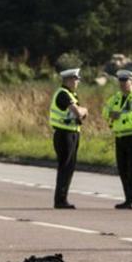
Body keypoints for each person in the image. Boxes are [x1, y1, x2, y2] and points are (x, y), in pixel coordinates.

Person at [103, 69, 132, 209]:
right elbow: (104, 110)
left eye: (125, 81)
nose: (123, 84)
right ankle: (127, 198)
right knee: (123, 168)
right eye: (121, 82)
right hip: (120, 136)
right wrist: (111, 114)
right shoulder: (116, 97)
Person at [49, 68, 88, 209]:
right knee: (65, 167)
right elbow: (77, 111)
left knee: (68, 167)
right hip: (64, 134)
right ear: (69, 80)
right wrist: (84, 110)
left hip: (71, 133)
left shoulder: (71, 94)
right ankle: (60, 200)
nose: (77, 82)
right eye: (76, 79)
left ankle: (62, 198)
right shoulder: (64, 94)